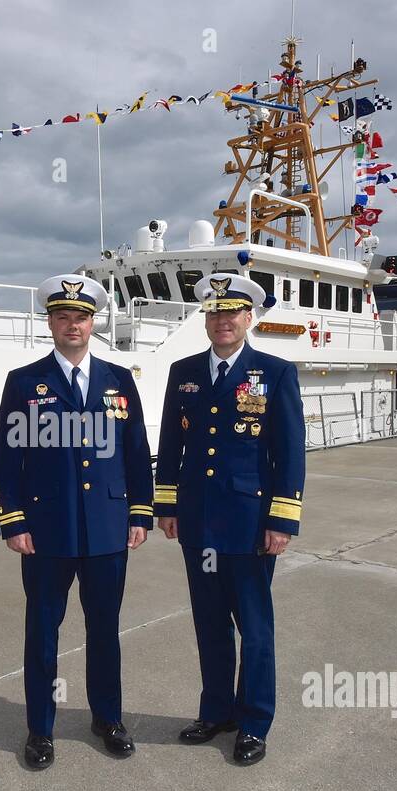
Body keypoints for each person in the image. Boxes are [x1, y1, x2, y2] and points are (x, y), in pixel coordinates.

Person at [0, 274, 154, 768]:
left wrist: (139, 512)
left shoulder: (119, 379)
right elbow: (8, 459)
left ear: (92, 323)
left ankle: (108, 718)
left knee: (105, 628)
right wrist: (14, 521)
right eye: (62, 317)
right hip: (46, 531)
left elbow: (135, 451)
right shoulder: (24, 382)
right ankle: (40, 728)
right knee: (43, 632)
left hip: (107, 526)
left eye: (81, 317)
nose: (72, 325)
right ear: (50, 323)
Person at [154, 273, 306, 766]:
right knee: (210, 623)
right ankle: (216, 711)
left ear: (248, 317)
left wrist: (282, 519)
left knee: (255, 629)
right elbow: (171, 444)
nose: (222, 320)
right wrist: (167, 506)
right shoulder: (184, 372)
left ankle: (254, 722)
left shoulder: (275, 372)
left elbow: (290, 452)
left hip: (249, 523)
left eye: (232, 312)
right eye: (214, 312)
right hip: (198, 521)